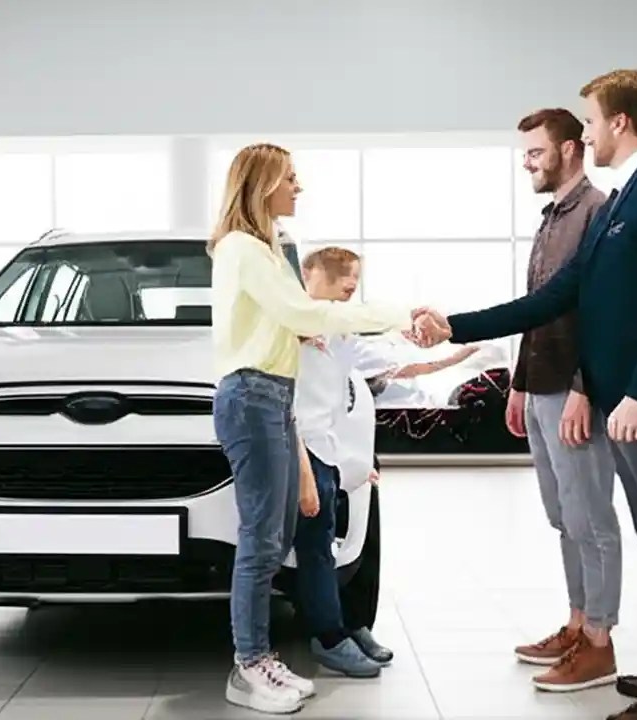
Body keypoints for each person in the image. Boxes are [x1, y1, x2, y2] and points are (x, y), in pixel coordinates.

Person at [413, 70, 637, 720]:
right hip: (628, 401)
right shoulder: (623, 202)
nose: (583, 131)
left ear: (619, 122)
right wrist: (455, 326)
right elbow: (555, 297)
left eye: (590, 118)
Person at [208, 143, 418, 715]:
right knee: (259, 544)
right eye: (290, 179)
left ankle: (258, 659)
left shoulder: (269, 251)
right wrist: (398, 316)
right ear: (262, 183)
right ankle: (248, 665)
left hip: (272, 397)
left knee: (273, 543)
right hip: (251, 395)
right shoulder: (242, 248)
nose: (298, 188)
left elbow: (298, 323)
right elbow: (302, 315)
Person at [505, 108, 623, 694]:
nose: (527, 162)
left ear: (570, 149)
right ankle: (577, 622)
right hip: (541, 385)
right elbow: (539, 306)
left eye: (535, 152)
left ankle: (600, 641)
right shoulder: (552, 215)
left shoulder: (598, 212)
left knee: (591, 517)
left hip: (577, 393)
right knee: (562, 516)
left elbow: (602, 311)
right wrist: (520, 380)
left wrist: (584, 387)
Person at [291, 246, 393, 678]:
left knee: (337, 542)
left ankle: (349, 626)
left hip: (329, 447)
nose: (350, 284)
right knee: (309, 547)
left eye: (353, 278)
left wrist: (463, 345)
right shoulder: (287, 323)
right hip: (296, 448)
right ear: (307, 275)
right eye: (341, 276)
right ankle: (327, 636)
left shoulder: (341, 330)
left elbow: (389, 363)